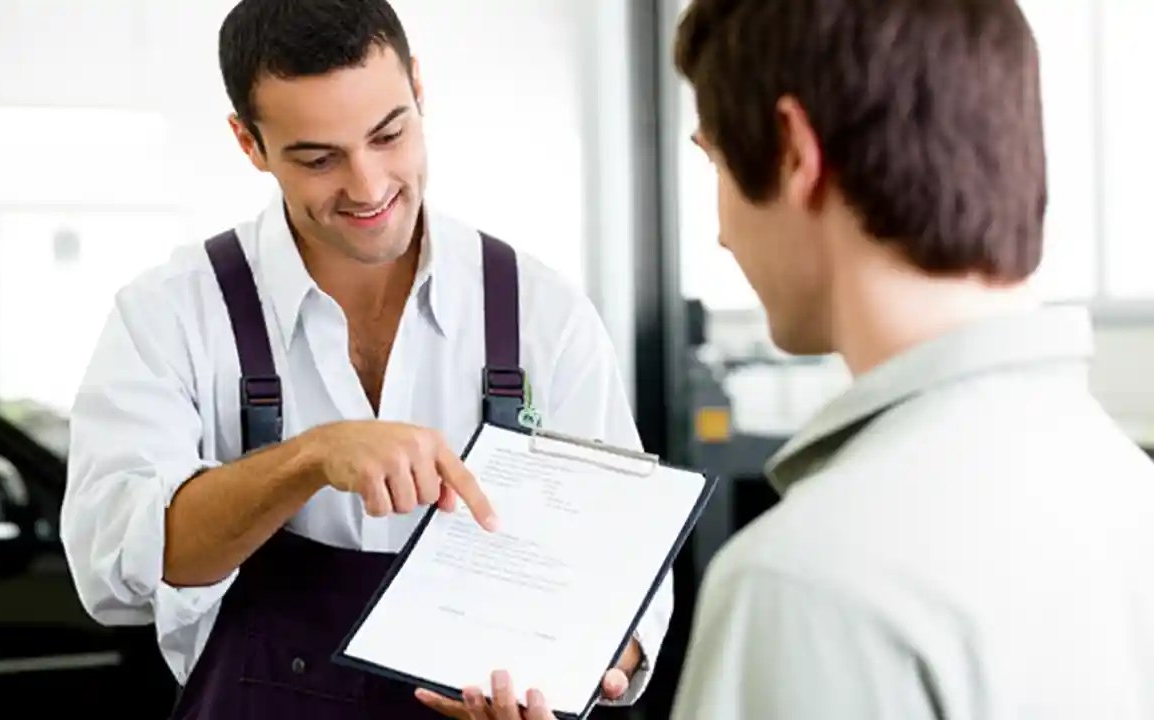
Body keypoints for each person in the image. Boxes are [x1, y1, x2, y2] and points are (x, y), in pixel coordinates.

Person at [59, 0, 671, 718]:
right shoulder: (169, 315)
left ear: (418, 86)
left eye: (389, 134)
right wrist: (309, 459)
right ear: (248, 143)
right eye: (319, 158)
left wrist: (574, 678)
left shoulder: (543, 314)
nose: (369, 185)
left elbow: (627, 579)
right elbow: (116, 569)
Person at [667, 0, 1154, 718]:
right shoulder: (1126, 490)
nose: (721, 234)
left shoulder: (804, 582)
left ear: (794, 152)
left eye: (716, 162)